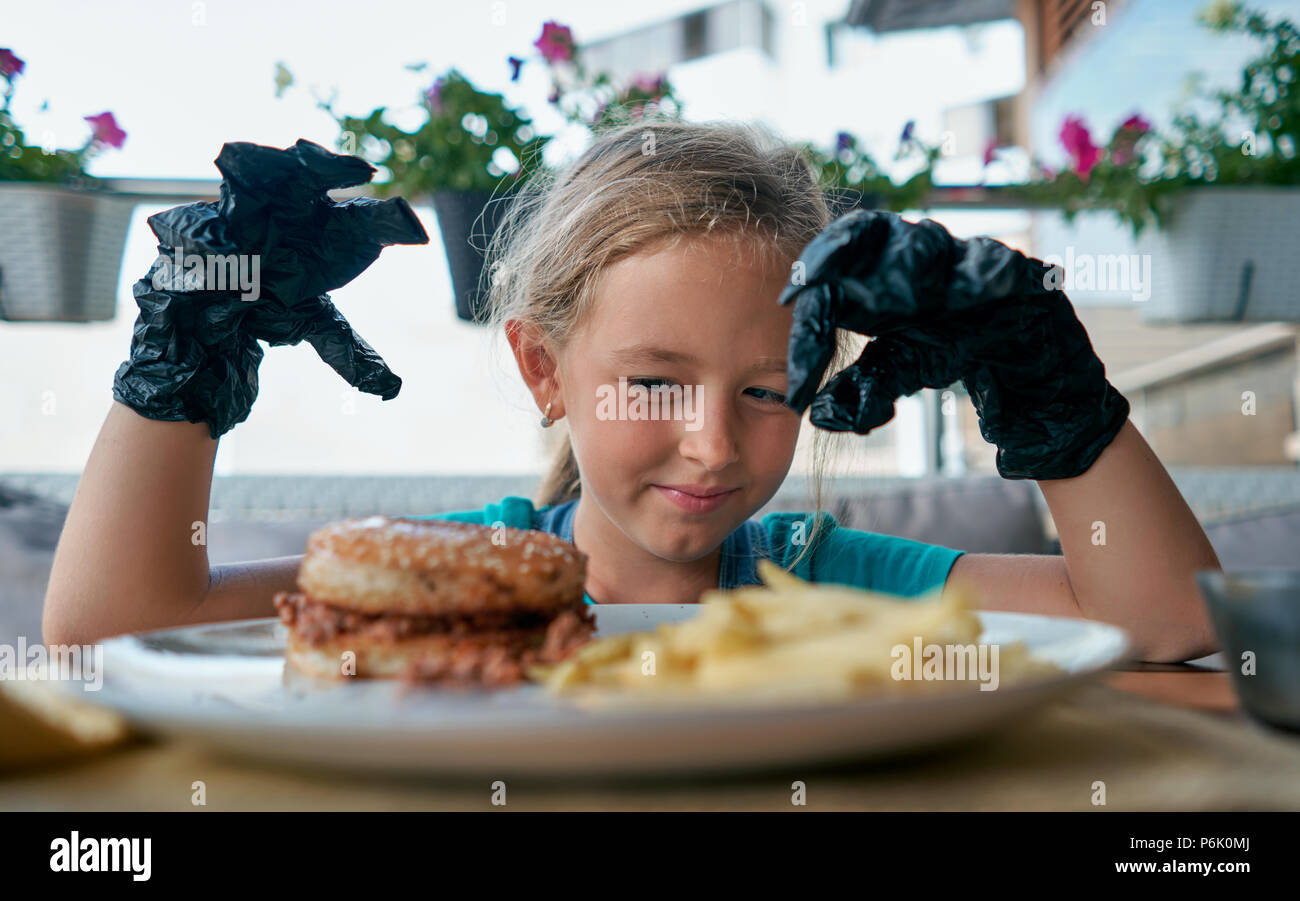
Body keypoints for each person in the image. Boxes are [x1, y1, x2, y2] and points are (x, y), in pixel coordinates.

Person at [42, 119, 1220, 663]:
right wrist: (180, 358)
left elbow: (1171, 619)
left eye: (770, 390)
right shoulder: (445, 584)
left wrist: (1044, 381)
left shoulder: (835, 582)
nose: (713, 445)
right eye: (656, 382)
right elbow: (104, 624)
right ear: (542, 369)